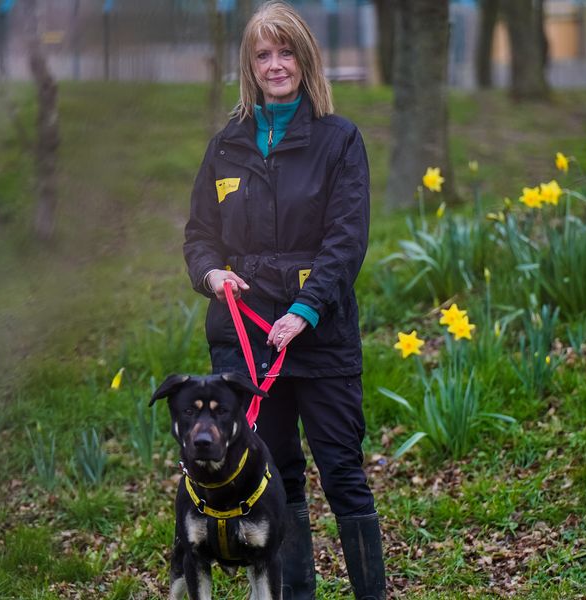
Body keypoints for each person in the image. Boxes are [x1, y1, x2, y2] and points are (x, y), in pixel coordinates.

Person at [183, 2, 385, 599]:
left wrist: (306, 310)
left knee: (343, 472)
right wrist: (212, 275)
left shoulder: (339, 140)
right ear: (249, 66)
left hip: (318, 336)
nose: (276, 65)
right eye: (263, 55)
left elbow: (346, 241)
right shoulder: (225, 146)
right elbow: (199, 236)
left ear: (306, 58)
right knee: (276, 478)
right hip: (243, 342)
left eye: (286, 52)